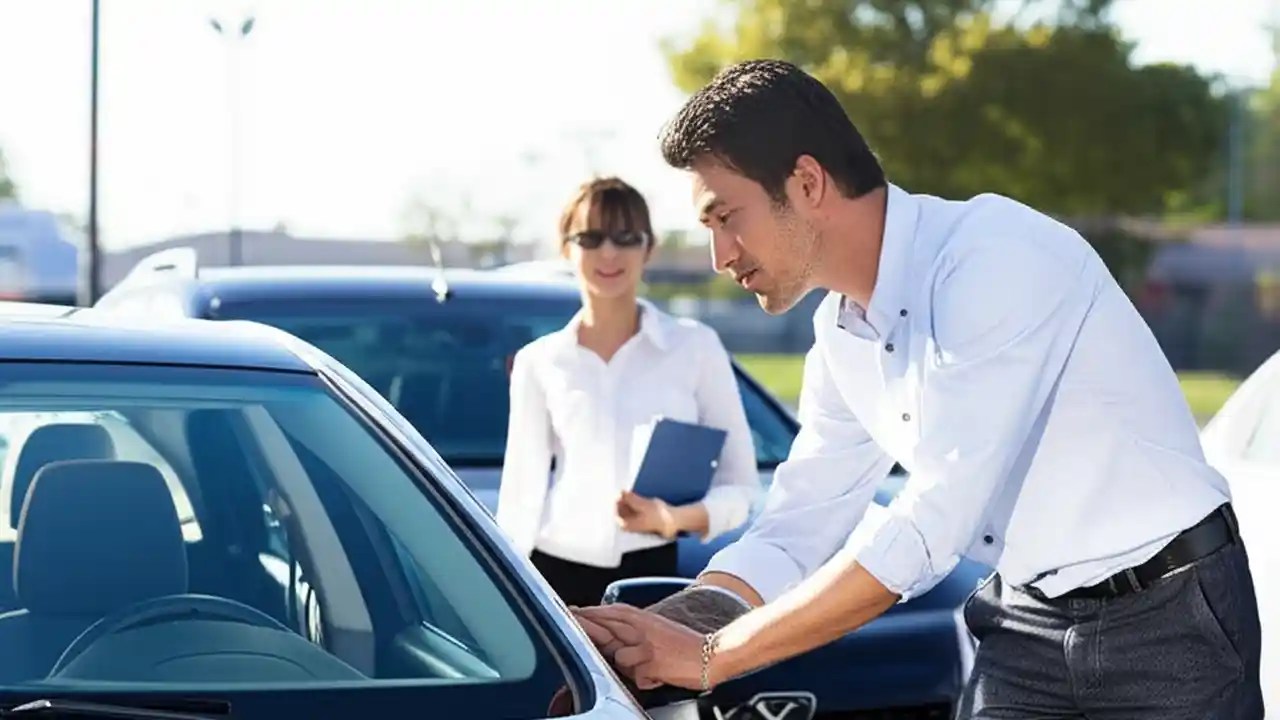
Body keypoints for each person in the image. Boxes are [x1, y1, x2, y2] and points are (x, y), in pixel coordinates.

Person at [574, 60, 1264, 719]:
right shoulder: (840, 335)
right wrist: (668, 627)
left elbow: (932, 522)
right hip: (1027, 618)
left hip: (1169, 617)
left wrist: (710, 657)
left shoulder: (994, 258)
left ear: (808, 184)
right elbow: (797, 525)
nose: (721, 257)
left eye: (727, 217)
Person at [496, 176, 760, 609]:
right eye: (590, 237)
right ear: (566, 248)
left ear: (648, 248)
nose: (608, 253)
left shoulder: (695, 348)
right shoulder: (539, 362)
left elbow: (742, 489)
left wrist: (673, 519)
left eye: (625, 237)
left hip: (659, 573)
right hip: (554, 578)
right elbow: (520, 498)